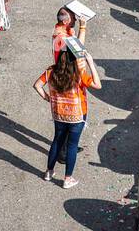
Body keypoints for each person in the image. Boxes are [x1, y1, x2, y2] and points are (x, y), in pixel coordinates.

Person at [33, 41, 102, 189]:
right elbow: (98, 85)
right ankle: (67, 178)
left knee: (57, 141)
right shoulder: (79, 74)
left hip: (59, 113)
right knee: (72, 146)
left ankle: (49, 172)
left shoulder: (51, 71)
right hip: (77, 115)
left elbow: (37, 85)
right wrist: (90, 63)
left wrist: (48, 98)